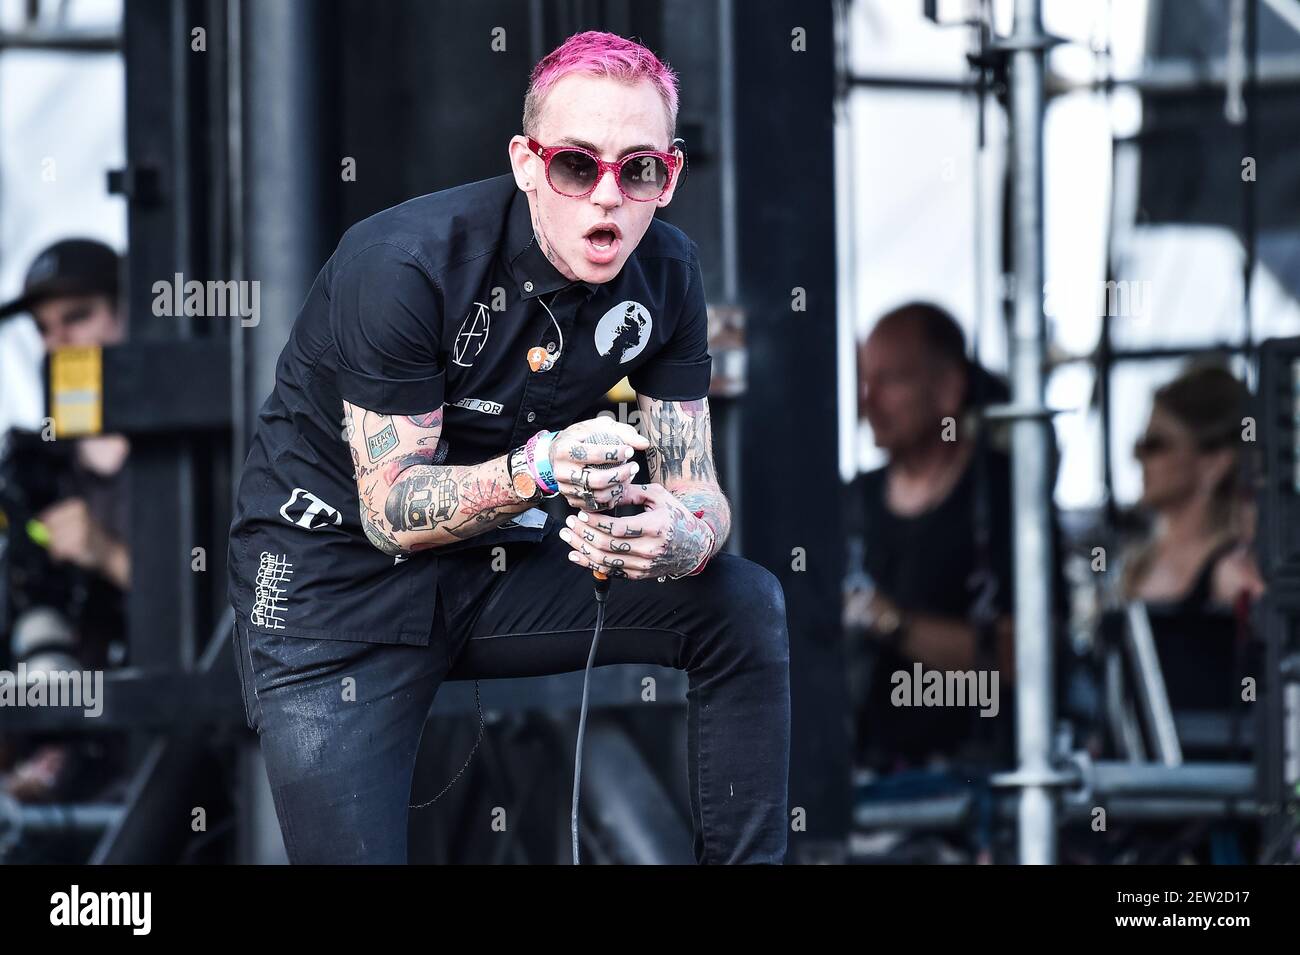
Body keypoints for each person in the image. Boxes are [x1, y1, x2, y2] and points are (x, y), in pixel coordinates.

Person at [227, 31, 790, 864]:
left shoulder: (668, 270)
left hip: (492, 567)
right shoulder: (404, 262)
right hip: (329, 581)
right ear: (527, 163)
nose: (608, 197)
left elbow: (697, 483)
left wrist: (682, 535)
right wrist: (543, 467)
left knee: (743, 601)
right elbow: (391, 511)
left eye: (639, 170)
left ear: (669, 174)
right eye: (576, 165)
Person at [844, 302, 1020, 774]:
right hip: (867, 780)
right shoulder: (852, 500)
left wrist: (891, 623)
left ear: (948, 390)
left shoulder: (1006, 497)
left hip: (975, 784)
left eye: (891, 381)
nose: (868, 401)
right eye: (865, 379)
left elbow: (1024, 655)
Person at [0, 238, 129, 816]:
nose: (61, 344)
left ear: (129, 313)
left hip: (176, 755)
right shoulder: (39, 476)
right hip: (63, 778)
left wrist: (107, 555)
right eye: (45, 328)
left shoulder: (199, 459)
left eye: (78, 317)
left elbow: (250, 603)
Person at [1122, 365, 1263, 724]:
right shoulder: (1137, 565)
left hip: (1205, 776)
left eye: (1155, 445)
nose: (1138, 457)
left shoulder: (1233, 572)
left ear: (1215, 462)